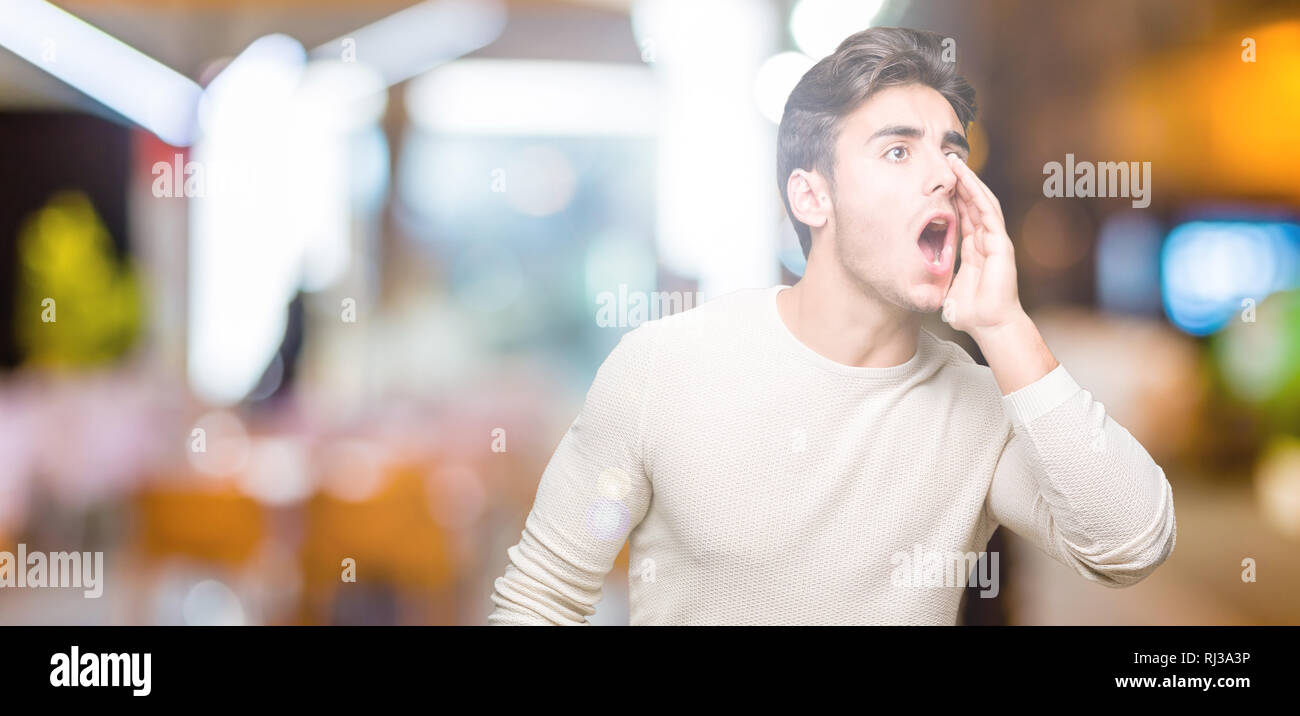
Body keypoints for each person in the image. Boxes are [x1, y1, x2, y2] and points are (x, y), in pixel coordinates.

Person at [488, 26, 1176, 625]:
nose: (942, 175)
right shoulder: (662, 370)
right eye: (899, 151)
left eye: (952, 153)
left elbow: (1130, 544)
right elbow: (541, 601)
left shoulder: (982, 409)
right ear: (812, 196)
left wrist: (1005, 326)